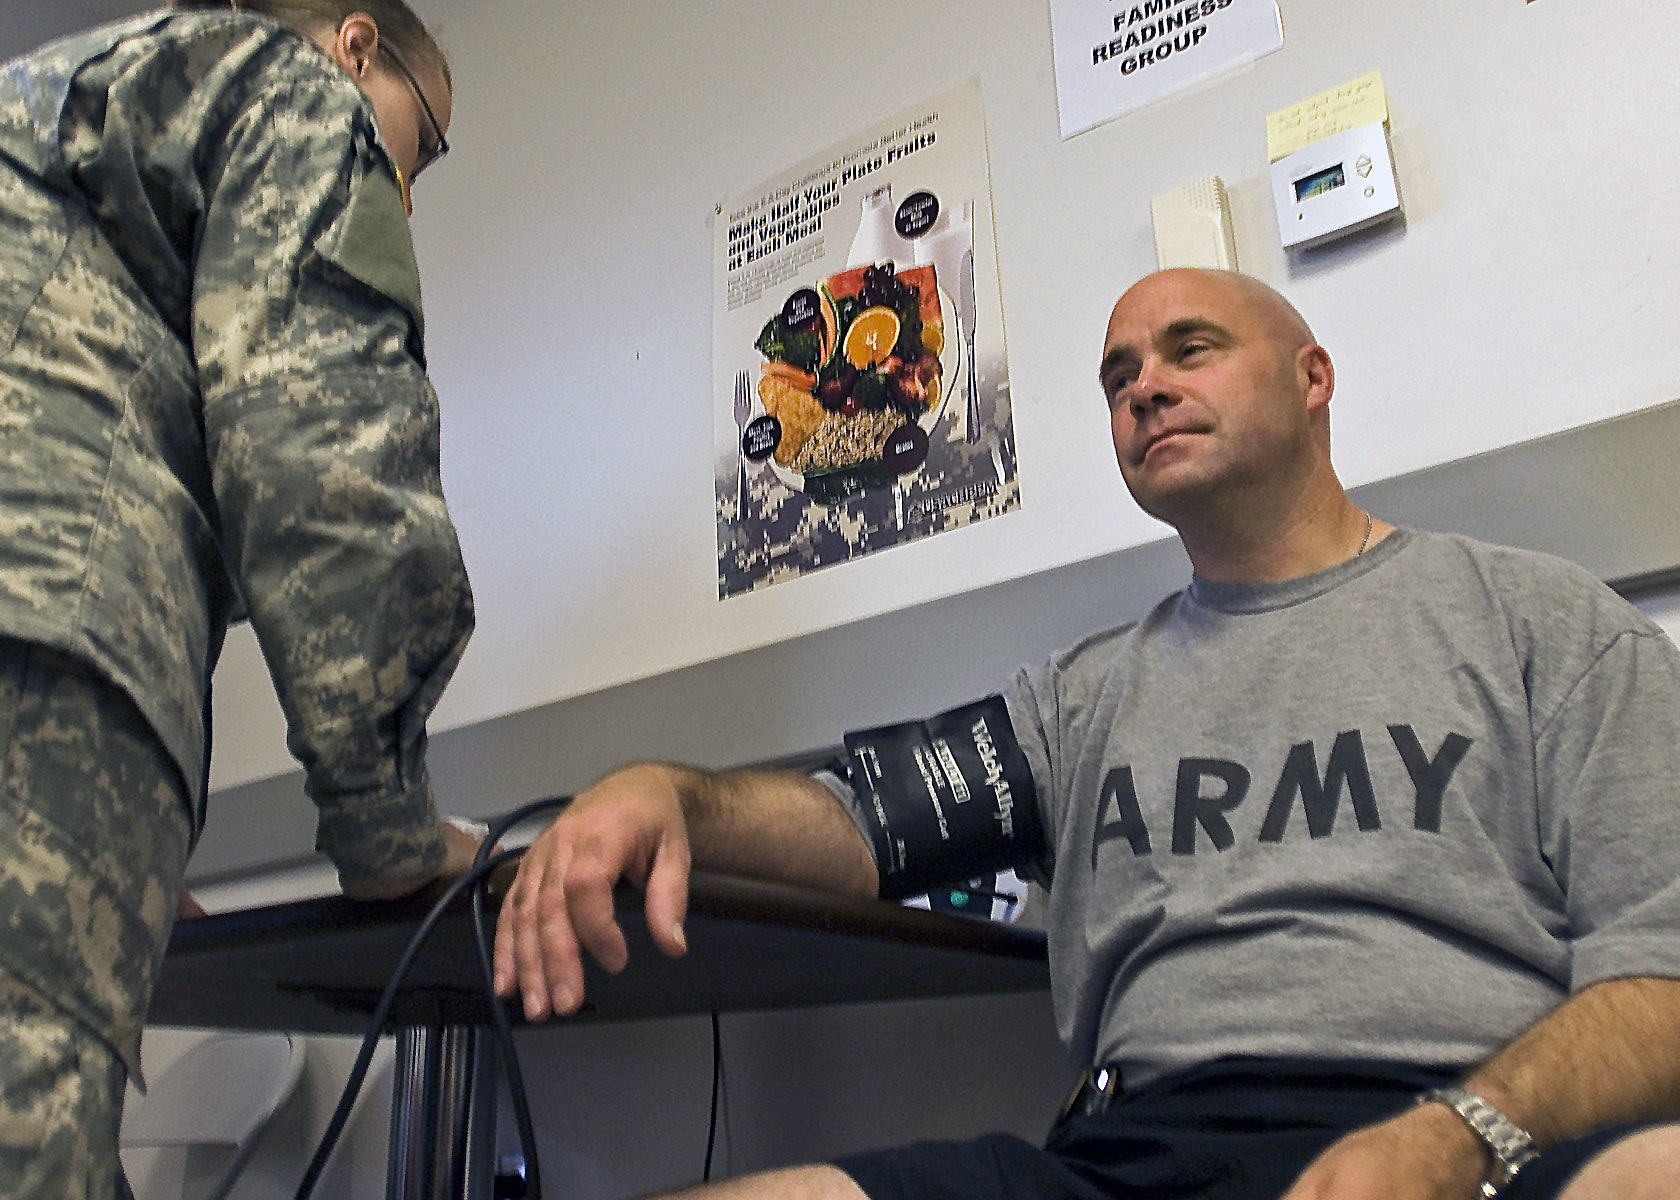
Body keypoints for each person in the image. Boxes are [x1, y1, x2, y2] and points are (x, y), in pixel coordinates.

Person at [493, 268, 1680, 1200]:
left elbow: (1663, 970)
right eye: (1120, 376)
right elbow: (857, 826)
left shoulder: (1538, 621)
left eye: (1191, 350)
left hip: (1481, 1135)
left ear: (1314, 377)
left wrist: (1454, 1138)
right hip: (1136, 1158)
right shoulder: (1082, 696)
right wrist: (670, 794)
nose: (1145, 388)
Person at [0, 2, 483, 1194]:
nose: (405, 195)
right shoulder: (295, 88)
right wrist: (394, 834)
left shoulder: (59, 105)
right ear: (357, 46)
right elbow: (321, 459)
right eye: (419, 149)